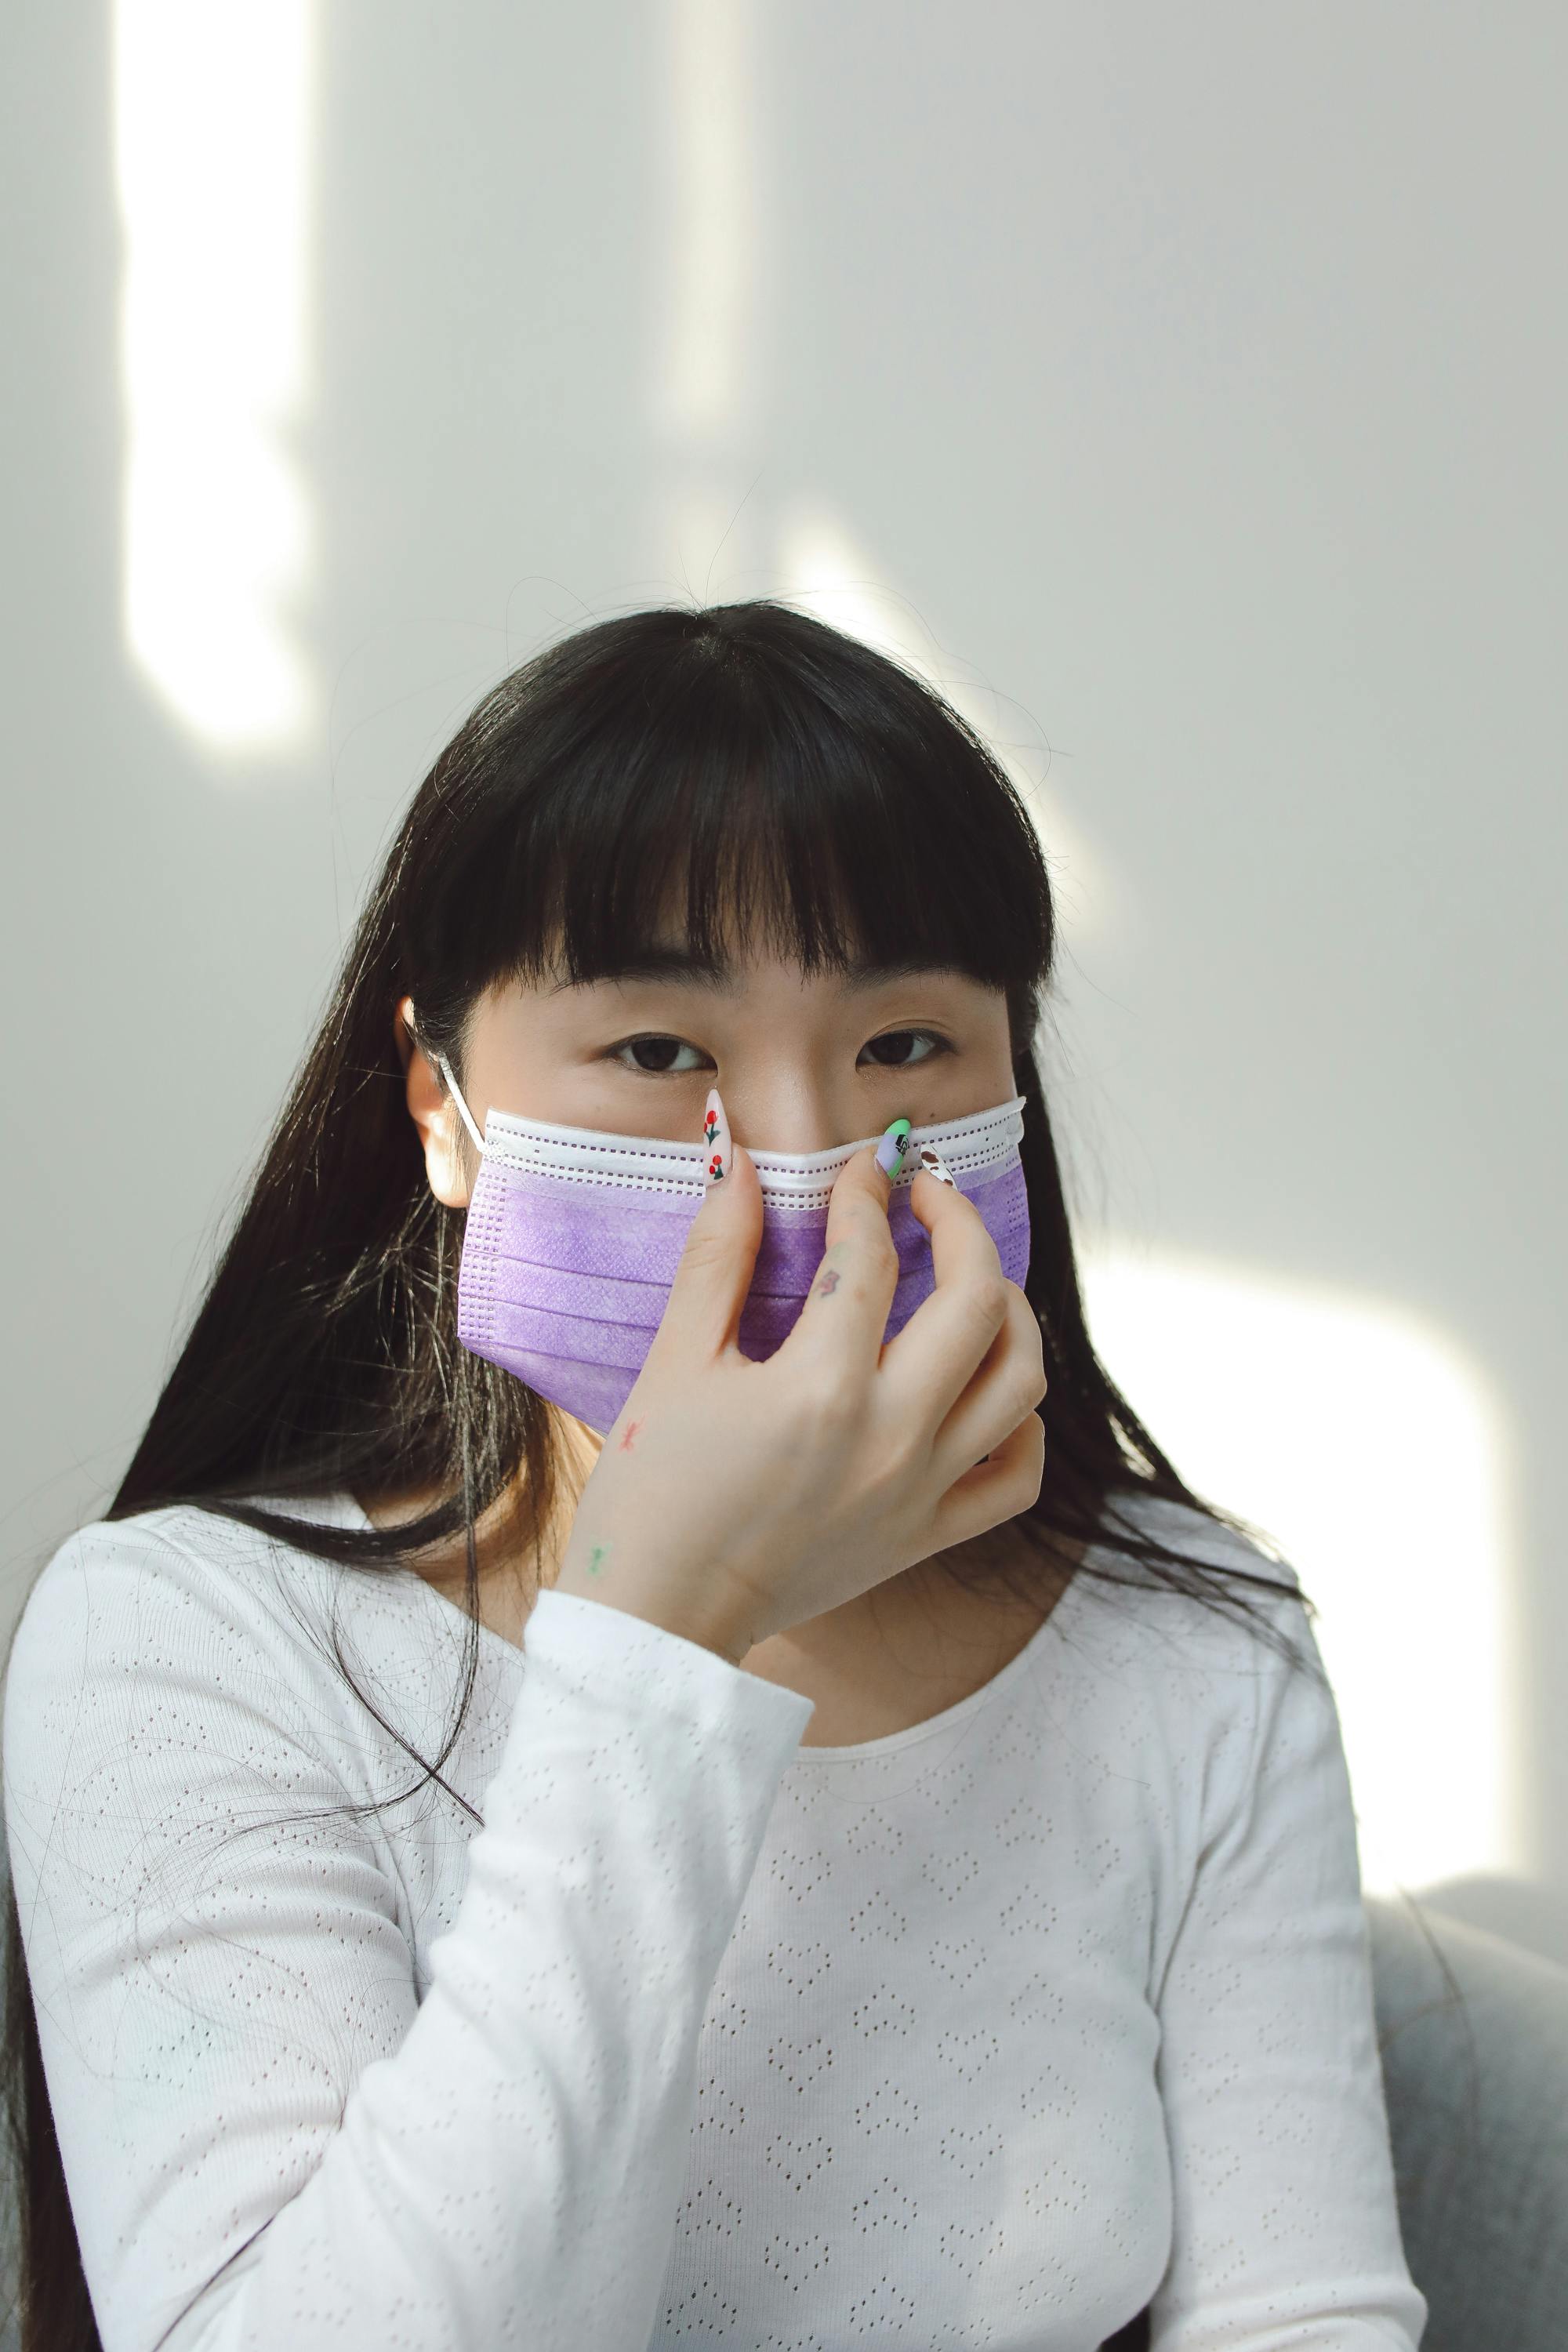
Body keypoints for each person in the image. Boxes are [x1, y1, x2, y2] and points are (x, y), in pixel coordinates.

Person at [0, 602, 1427, 2352]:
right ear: (440, 1106)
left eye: (903, 1047)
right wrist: (663, 1628)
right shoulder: (181, 1645)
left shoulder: (1198, 1648)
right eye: (663, 1052)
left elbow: (1305, 2319)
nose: (806, 1162)